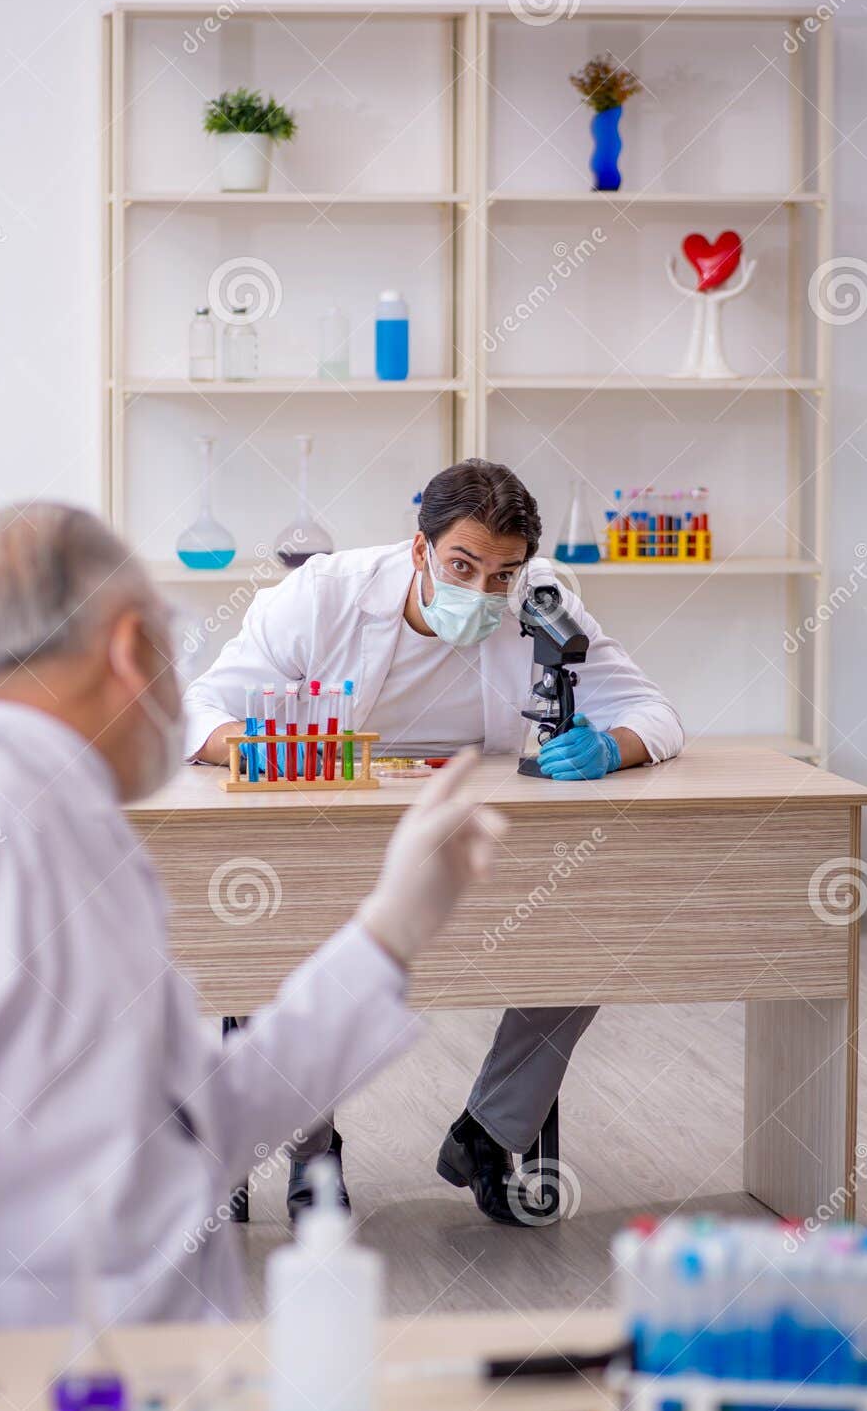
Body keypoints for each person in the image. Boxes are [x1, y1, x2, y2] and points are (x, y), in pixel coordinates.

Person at [0, 504, 503, 1333]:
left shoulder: (70, 818)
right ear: (133, 649)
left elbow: (201, 1121)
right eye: (177, 643)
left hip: (116, 1369)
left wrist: (387, 933)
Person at [184, 458, 684, 1226]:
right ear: (420, 551)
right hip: (331, 823)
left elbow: (652, 710)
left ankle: (491, 1130)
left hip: (476, 833)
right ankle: (309, 1147)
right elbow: (203, 707)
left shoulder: (543, 598)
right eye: (462, 566)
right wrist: (269, 750)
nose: (484, 592)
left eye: (502, 574)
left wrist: (611, 747)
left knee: (585, 935)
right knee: (268, 933)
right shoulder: (324, 594)